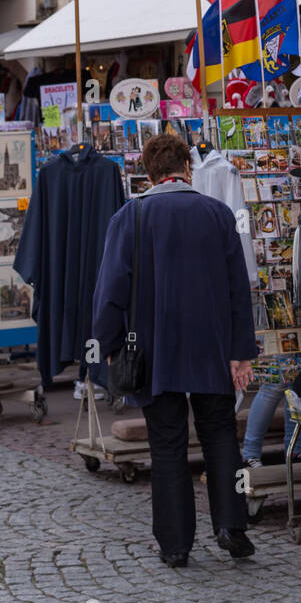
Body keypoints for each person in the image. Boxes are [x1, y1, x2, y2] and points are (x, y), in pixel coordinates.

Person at [93, 133, 256, 569]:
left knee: (167, 446)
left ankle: (175, 544)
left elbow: (110, 292)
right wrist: (241, 352)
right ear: (188, 167)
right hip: (212, 345)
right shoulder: (218, 215)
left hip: (153, 349)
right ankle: (232, 525)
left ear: (148, 173)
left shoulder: (130, 216)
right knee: (222, 436)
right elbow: (239, 290)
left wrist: (109, 345)